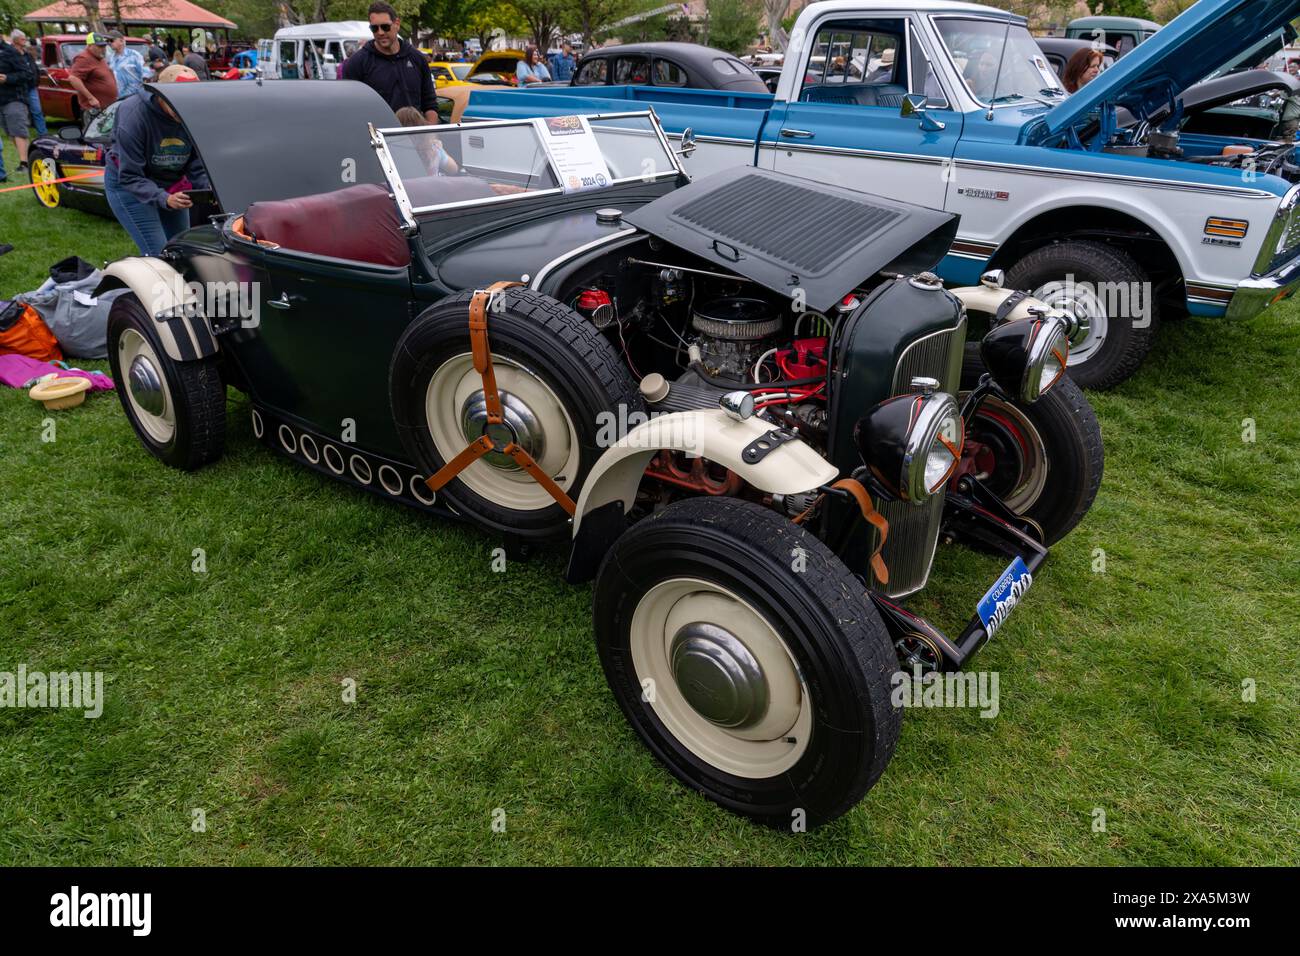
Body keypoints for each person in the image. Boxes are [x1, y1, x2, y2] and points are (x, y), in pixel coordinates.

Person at [103, 65, 210, 257]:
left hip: (171, 183)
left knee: (181, 250)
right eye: (178, 102)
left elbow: (197, 166)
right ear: (161, 95)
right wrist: (164, 199)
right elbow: (129, 176)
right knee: (160, 255)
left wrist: (213, 191)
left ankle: (181, 287)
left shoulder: (195, 114)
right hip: (128, 185)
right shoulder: (133, 116)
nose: (184, 109)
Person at [341, 2, 438, 123]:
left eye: (385, 27)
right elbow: (350, 109)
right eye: (374, 28)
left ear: (397, 24)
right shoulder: (357, 63)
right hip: (377, 139)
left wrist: (430, 135)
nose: (380, 32)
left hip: (415, 137)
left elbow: (430, 104)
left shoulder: (417, 59)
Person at [0, 29, 35, 181]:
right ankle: (27, 159)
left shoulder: (10, 52)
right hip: (1, 100)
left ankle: (24, 163)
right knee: (10, 132)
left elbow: (27, 73)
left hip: (14, 97)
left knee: (18, 130)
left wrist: (7, 78)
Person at [395, 105, 458, 175]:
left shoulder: (394, 150)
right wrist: (440, 148)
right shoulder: (433, 148)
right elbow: (453, 169)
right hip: (431, 185)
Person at [67, 31, 117, 114]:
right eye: (99, 46)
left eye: (104, 46)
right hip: (94, 110)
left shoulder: (100, 57)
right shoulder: (83, 58)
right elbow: (73, 78)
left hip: (107, 108)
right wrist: (91, 98)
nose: (103, 49)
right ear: (89, 46)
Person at [10, 31, 47, 137]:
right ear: (15, 40)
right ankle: (21, 134)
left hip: (31, 87)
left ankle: (43, 134)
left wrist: (36, 79)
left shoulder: (27, 54)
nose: (25, 40)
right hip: (17, 89)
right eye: (23, 39)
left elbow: (34, 68)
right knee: (21, 113)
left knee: (37, 111)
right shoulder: (9, 55)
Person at [107, 31, 147, 100]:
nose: (109, 43)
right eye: (107, 41)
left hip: (134, 97)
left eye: (111, 40)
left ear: (121, 41)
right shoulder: (111, 58)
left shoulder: (134, 55)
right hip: (118, 98)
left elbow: (145, 75)